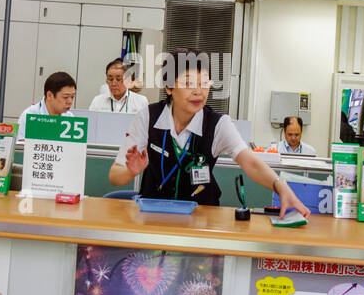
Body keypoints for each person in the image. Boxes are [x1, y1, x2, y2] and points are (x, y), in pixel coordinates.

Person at [109, 48, 309, 218]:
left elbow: (251, 163)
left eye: (204, 83)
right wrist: (131, 171)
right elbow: (115, 176)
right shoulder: (148, 117)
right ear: (169, 87)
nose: (199, 91)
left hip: (202, 220)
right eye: (189, 83)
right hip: (153, 218)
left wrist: (280, 186)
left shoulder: (217, 124)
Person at [18, 71, 78, 141]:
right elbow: (21, 147)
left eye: (72, 97)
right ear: (49, 95)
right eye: (65, 97)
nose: (70, 102)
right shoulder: (30, 116)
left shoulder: (69, 118)